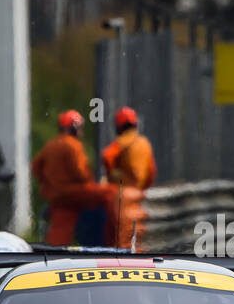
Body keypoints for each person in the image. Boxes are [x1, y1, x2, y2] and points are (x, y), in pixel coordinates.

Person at [32, 110, 118, 245]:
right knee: (112, 193)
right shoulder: (73, 145)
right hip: (75, 193)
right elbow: (81, 173)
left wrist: (48, 185)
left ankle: (56, 250)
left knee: (60, 228)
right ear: (74, 128)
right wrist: (91, 184)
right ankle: (113, 242)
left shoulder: (50, 145)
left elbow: (35, 167)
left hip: (56, 196)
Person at [101, 106, 157, 248]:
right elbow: (151, 172)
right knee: (135, 242)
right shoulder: (145, 144)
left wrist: (112, 174)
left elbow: (107, 156)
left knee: (120, 244)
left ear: (119, 125)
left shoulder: (123, 141)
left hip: (122, 198)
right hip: (139, 198)